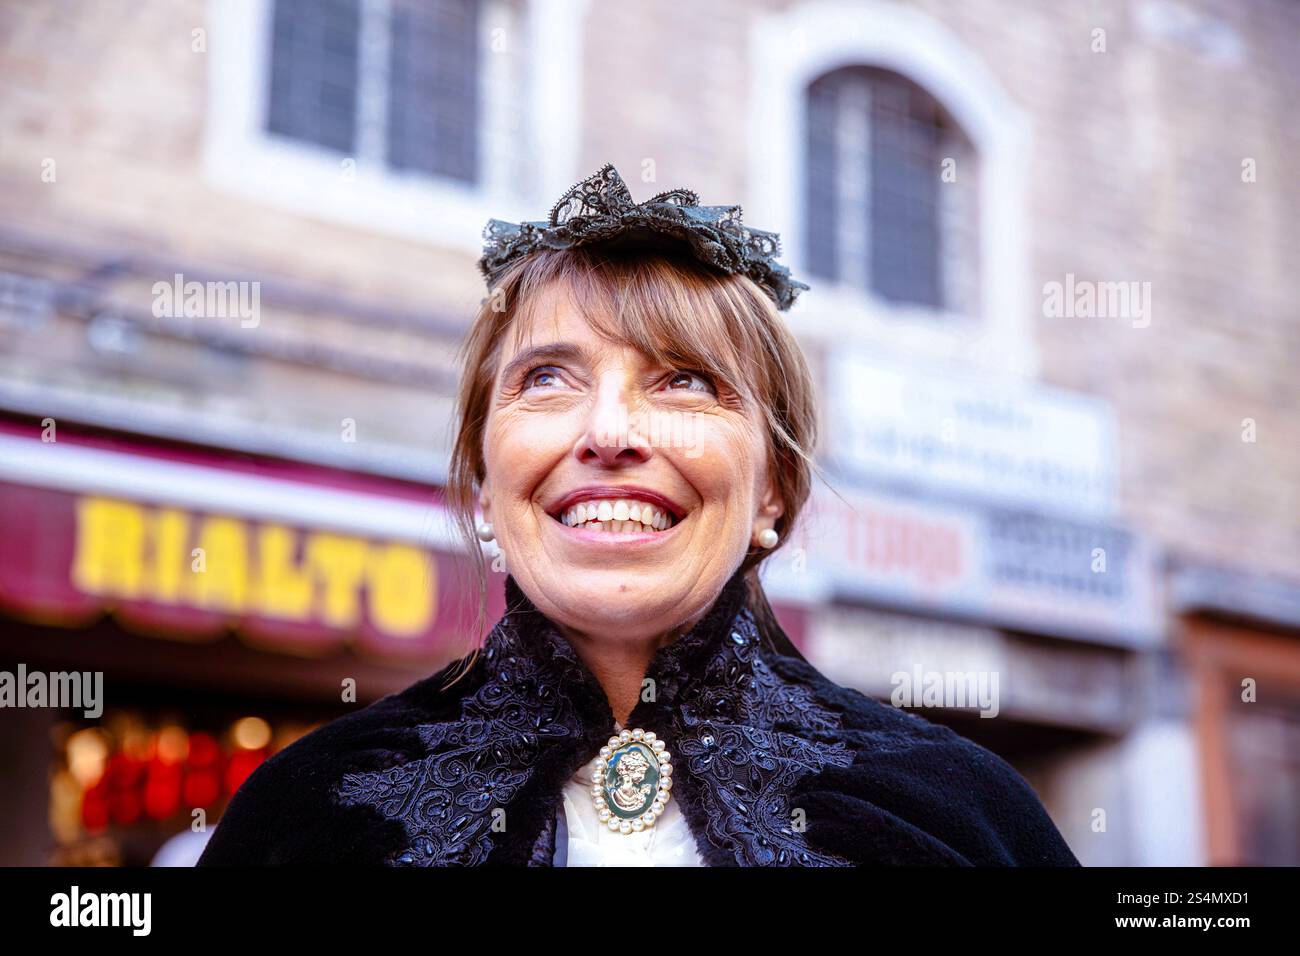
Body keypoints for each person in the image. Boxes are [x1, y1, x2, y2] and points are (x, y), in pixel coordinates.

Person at [197, 163, 1080, 866]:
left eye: (684, 380)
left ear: (772, 487)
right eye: (547, 378)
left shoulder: (963, 814)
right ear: (482, 486)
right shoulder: (304, 812)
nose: (609, 432)